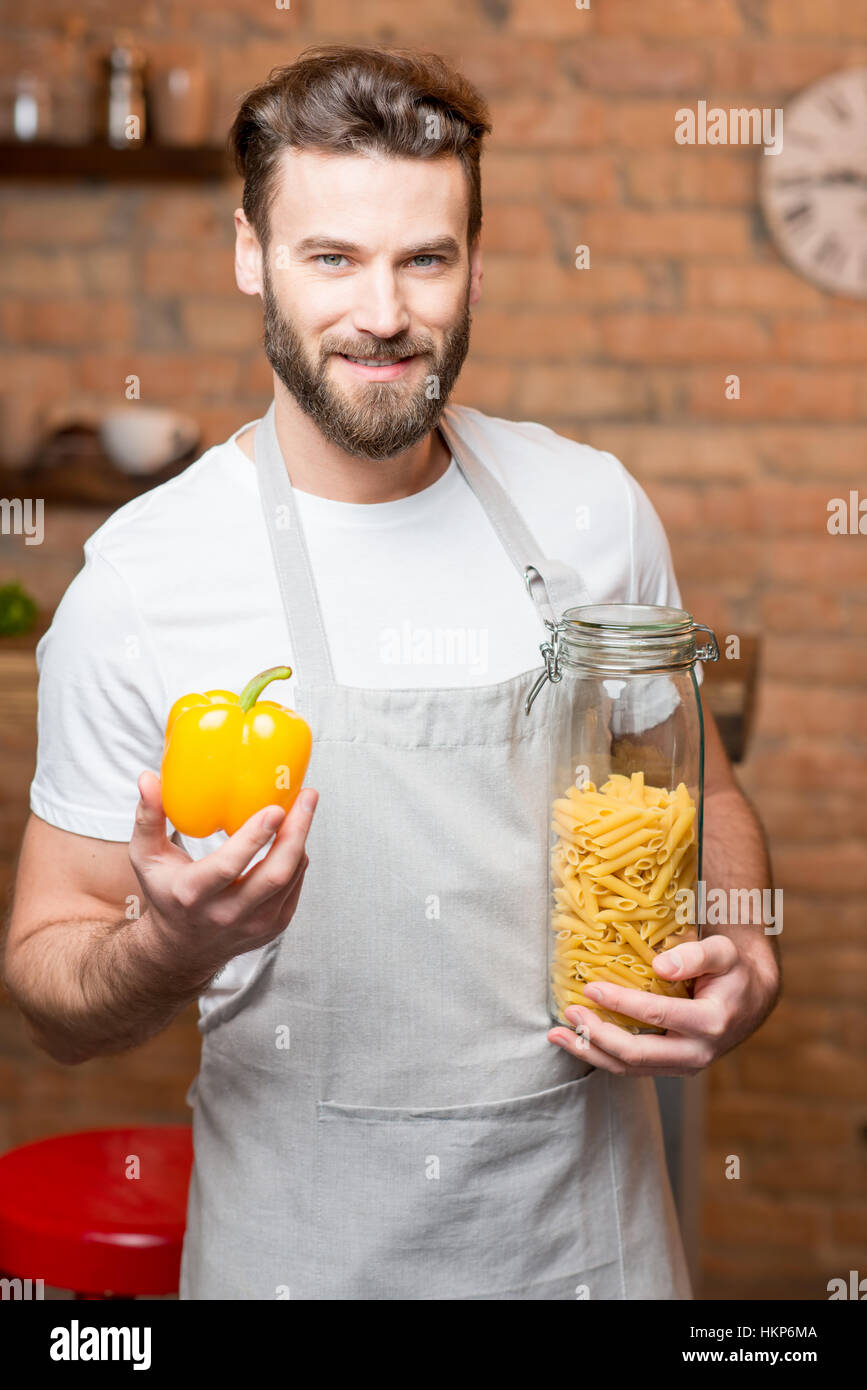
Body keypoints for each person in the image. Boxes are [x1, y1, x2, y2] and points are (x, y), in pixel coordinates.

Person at [2, 45, 779, 1300]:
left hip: (592, 1254)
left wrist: (741, 944)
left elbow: (714, 801)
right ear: (249, 251)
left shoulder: (591, 511)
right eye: (331, 258)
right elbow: (49, 977)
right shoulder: (145, 580)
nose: (383, 312)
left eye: (427, 257)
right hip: (299, 1261)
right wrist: (168, 945)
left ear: (477, 257)